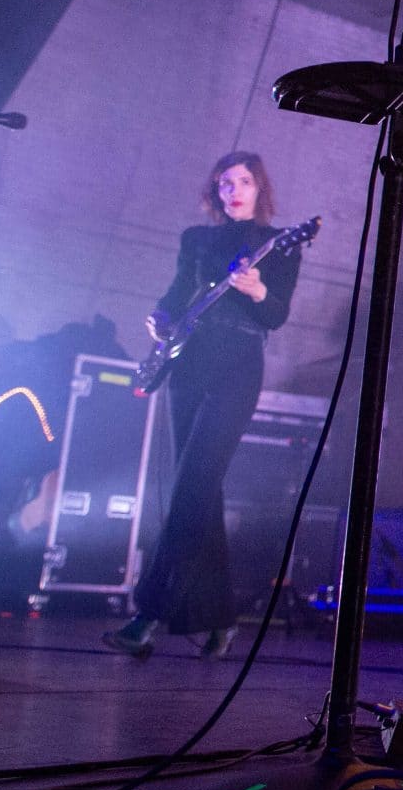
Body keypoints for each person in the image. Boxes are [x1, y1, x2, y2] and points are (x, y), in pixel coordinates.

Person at [103, 152, 300, 658]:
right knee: (199, 494)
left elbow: (277, 316)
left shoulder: (277, 246)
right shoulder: (196, 239)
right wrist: (159, 317)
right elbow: (175, 295)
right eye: (225, 183)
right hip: (189, 367)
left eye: (244, 181)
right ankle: (220, 618)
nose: (233, 190)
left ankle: (147, 614)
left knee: (192, 486)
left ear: (260, 188)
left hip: (237, 368)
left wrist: (258, 292)